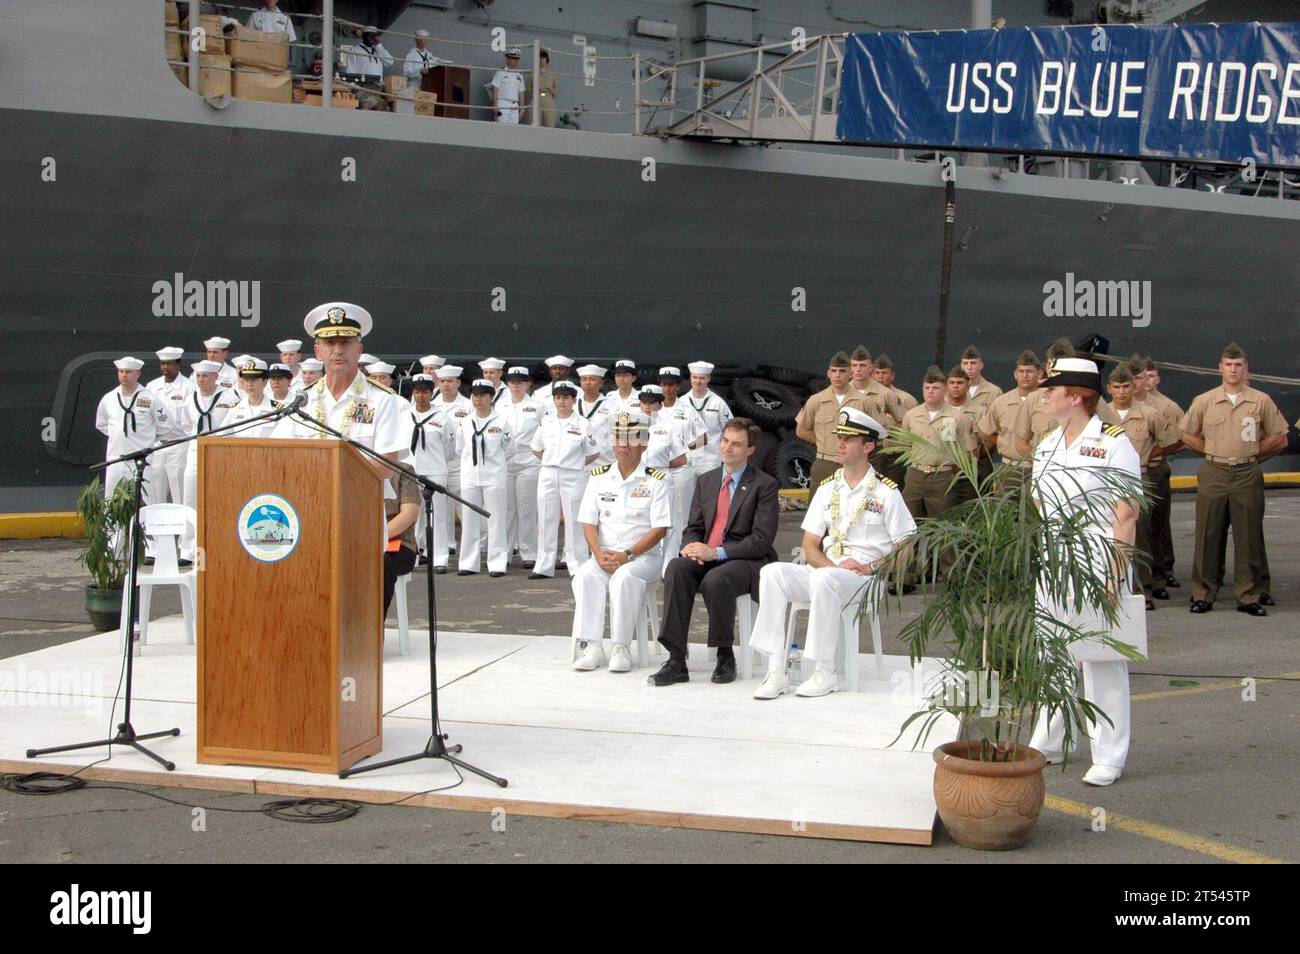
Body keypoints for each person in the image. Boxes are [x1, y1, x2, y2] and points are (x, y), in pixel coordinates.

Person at [1028, 356, 1142, 787]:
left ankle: (1109, 752)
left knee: (1102, 659)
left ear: (1076, 397)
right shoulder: (1047, 444)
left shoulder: (1114, 444)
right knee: (1052, 653)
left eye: (1052, 389)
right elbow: (1039, 503)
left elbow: (1125, 514)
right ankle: (1050, 739)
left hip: (1097, 553)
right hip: (1054, 555)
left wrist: (1115, 575)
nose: (1045, 395)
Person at [749, 408, 914, 699]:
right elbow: (810, 544)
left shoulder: (886, 493)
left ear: (868, 446)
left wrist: (870, 567)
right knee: (772, 572)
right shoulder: (828, 489)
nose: (839, 443)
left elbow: (906, 548)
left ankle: (826, 670)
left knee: (825, 580)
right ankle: (776, 669)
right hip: (826, 572)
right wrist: (828, 565)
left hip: (863, 580)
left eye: (848, 439)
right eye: (839, 437)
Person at [648, 418, 779, 686]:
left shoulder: (764, 484)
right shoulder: (706, 480)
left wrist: (717, 553)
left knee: (716, 579)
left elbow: (761, 541)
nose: (728, 448)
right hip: (707, 555)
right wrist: (691, 547)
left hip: (746, 560)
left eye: (737, 444)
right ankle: (675, 659)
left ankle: (724, 654)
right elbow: (693, 526)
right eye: (725, 441)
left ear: (750, 450)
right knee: (676, 567)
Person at [1179, 342, 1287, 617]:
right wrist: (1211, 450)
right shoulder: (1205, 400)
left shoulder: (1260, 400)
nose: (1233, 370)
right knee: (1208, 533)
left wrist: (1252, 454)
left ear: (1246, 369)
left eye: (1238, 365)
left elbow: (1279, 437)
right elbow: (1186, 433)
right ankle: (1203, 593)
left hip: (1246, 472)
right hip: (1214, 471)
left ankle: (1247, 595)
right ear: (1220, 368)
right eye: (1228, 365)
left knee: (1247, 534)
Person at [571, 411, 672, 673]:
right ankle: (592, 645)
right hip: (604, 556)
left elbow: (660, 529)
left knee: (624, 578)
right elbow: (588, 522)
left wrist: (627, 555)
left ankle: (620, 646)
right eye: (619, 439)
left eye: (630, 439)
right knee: (585, 576)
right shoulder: (599, 476)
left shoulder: (656, 480)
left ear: (644, 444)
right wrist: (598, 554)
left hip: (642, 558)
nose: (623, 446)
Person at [270, 302, 406, 470]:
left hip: (362, 494)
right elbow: (278, 452)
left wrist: (335, 477)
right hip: (308, 492)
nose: (338, 350)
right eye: (330, 343)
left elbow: (388, 463)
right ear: (318, 351)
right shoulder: (301, 401)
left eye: (345, 342)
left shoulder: (382, 400)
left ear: (359, 349)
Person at [1106, 365, 1180, 609]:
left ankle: (1144, 589)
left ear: (1132, 386)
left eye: (1126, 386)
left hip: (1140, 479)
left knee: (1141, 535)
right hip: (1107, 481)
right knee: (1108, 533)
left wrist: (1148, 454)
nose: (1122, 391)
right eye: (1116, 387)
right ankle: (1109, 586)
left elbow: (1171, 441)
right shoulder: (1101, 416)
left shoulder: (1150, 414)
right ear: (1109, 389)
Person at [529, 380, 598, 579]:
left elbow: (594, 453)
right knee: (545, 518)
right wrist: (551, 461)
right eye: (558, 397)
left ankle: (577, 565)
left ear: (573, 400)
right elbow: (536, 448)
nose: (561, 401)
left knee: (575, 520)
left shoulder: (583, 424)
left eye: (566, 398)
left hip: (573, 474)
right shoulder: (547, 421)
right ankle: (543, 565)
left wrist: (574, 462)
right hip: (548, 472)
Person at [899, 366, 978, 521]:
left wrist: (951, 470)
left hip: (942, 477)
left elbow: (969, 452)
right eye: (927, 387)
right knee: (908, 520)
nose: (930, 391)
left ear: (945, 390)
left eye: (935, 388)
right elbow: (905, 445)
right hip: (915, 474)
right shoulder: (911, 415)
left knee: (942, 523)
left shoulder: (957, 417)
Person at [180, 359, 240, 561]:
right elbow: (185, 424)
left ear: (216, 377)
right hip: (195, 448)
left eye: (205, 376)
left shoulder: (230, 397)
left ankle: (219, 544)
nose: (201, 380)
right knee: (190, 498)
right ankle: (188, 549)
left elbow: (234, 425)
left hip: (220, 450)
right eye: (198, 376)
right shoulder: (190, 399)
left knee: (220, 497)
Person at [456, 379, 514, 577]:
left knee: (496, 519)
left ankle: (497, 562)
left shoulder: (501, 421)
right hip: (470, 476)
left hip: (494, 476)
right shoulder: (465, 421)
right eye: (475, 395)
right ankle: (468, 562)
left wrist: (494, 466)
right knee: (469, 519)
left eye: (482, 395)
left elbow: (509, 449)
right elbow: (460, 448)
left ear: (491, 397)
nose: (477, 399)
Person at [95, 357, 172, 504]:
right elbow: (102, 424)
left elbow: (167, 424)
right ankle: (114, 528)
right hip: (116, 459)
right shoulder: (109, 398)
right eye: (121, 371)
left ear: (138, 374)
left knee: (146, 499)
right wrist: (120, 436)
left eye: (128, 372)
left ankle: (145, 527)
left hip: (141, 460)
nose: (124, 375)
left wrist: (148, 438)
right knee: (112, 500)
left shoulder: (149, 399)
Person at [1139, 356, 1185, 591]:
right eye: (1142, 376)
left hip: (1155, 469)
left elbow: (1182, 439)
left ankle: (1164, 568)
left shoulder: (1166, 407)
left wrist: (1153, 451)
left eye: (1151, 376)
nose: (1146, 381)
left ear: (1158, 378)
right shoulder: (1118, 405)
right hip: (1128, 472)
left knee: (1158, 521)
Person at [796, 351, 871, 489]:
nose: (837, 375)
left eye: (842, 371)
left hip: (854, 463)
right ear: (828, 373)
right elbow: (801, 430)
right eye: (834, 371)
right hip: (825, 463)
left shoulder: (864, 402)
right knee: (819, 507)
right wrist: (823, 442)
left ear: (850, 374)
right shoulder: (816, 400)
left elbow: (875, 434)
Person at [404, 374, 454, 570]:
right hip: (411, 470)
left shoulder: (442, 418)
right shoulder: (404, 416)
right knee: (412, 516)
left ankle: (440, 558)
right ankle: (413, 555)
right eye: (417, 391)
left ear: (431, 393)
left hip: (435, 470)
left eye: (425, 392)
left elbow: (450, 448)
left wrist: (438, 462)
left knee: (438, 516)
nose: (421, 396)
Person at [640, 384, 692, 572]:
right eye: (644, 403)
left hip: (661, 477)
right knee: (642, 521)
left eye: (651, 403)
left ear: (660, 405)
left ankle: (667, 564)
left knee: (667, 522)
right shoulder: (630, 426)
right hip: (638, 479)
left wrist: (659, 466)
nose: (647, 407)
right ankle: (646, 561)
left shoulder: (668, 428)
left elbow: (682, 457)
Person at [978, 350, 1043, 491]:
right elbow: (983, 431)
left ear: (1040, 374)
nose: (1025, 375)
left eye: (1030, 371)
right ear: (1015, 374)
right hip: (1009, 469)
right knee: (1005, 510)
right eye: (1021, 371)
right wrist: (1002, 441)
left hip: (1038, 470)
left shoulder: (1048, 401)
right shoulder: (1001, 402)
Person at [502, 366, 543, 569]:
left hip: (529, 461)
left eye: (520, 382)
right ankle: (505, 552)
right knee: (506, 509)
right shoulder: (499, 405)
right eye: (512, 382)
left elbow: (545, 432)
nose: (516, 385)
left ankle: (529, 551)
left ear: (527, 384)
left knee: (527, 510)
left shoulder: (538, 406)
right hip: (505, 462)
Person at [432, 365, 471, 568]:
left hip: (459, 463)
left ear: (458, 383)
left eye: (450, 381)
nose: (446, 385)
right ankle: (443, 546)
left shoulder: (468, 406)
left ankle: (472, 547)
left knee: (464, 506)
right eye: (442, 381)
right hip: (437, 463)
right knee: (439, 510)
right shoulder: (432, 405)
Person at [146, 346, 193, 506]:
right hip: (157, 446)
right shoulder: (152, 387)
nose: (165, 367)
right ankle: (156, 531)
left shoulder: (189, 387)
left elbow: (190, 419)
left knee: (179, 494)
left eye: (170, 364)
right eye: (163, 363)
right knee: (155, 494)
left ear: (178, 365)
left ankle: (182, 531)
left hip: (179, 445)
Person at [945, 364, 988, 497]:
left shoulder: (980, 411)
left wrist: (977, 457)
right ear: (946, 386)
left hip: (972, 469)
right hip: (944, 470)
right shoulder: (939, 411)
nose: (955, 386)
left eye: (960, 383)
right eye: (951, 383)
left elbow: (988, 439)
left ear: (968, 385)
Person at [683, 361, 734, 475]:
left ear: (708, 378)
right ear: (690, 378)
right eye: (694, 377)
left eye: (702, 378)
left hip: (710, 461)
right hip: (686, 460)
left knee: (709, 492)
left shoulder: (718, 403)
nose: (697, 381)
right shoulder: (682, 402)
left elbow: (730, 429)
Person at [383, 468, 421, 619]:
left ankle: (373, 630)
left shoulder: (402, 470)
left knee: (382, 563)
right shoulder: (348, 466)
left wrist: (376, 536)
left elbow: (409, 513)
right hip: (356, 544)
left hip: (398, 545)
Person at [223, 356, 279, 438]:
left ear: (265, 382)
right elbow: (222, 435)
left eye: (254, 380)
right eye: (246, 380)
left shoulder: (277, 410)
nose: (249, 384)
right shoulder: (236, 408)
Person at [344, 26, 393, 110]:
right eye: (369, 36)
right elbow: (350, 72)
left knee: (386, 106)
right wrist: (354, 90)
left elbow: (390, 62)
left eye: (374, 36)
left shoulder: (378, 50)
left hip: (378, 88)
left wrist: (379, 46)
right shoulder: (355, 51)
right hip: (362, 88)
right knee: (372, 103)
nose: (372, 39)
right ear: (364, 36)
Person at [575, 364, 616, 464]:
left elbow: (618, 435)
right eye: (584, 379)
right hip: (576, 463)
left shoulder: (612, 406)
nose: (588, 383)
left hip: (603, 462)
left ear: (601, 383)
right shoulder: (572, 403)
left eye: (592, 379)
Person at [960, 345, 1003, 415]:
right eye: (965, 363)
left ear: (981, 365)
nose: (969, 367)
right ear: (961, 366)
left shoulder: (994, 392)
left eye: (973, 363)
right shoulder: (952, 391)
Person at [489, 48, 527, 124]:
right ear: (508, 59)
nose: (516, 61)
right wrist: (495, 105)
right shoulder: (500, 73)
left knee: (513, 130)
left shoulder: (519, 76)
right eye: (513, 59)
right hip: (503, 104)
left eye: (517, 59)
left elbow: (521, 93)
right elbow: (495, 89)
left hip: (515, 106)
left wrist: (522, 109)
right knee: (501, 130)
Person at [527, 49, 558, 127]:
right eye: (539, 57)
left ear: (547, 59)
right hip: (536, 98)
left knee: (550, 125)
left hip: (548, 99)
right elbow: (529, 89)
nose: (541, 60)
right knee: (534, 125)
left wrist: (550, 89)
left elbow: (556, 92)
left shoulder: (553, 75)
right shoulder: (532, 73)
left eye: (543, 57)